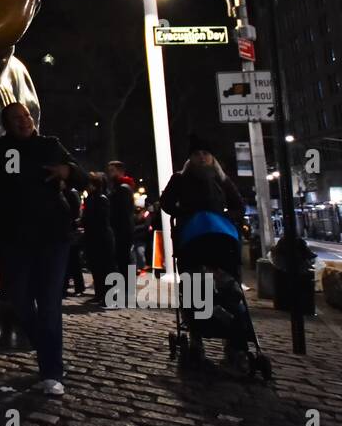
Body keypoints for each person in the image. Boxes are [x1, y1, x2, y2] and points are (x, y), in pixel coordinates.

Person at [0, 101, 82, 395]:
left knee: (49, 303)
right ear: (7, 124)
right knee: (20, 302)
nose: (23, 121)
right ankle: (49, 351)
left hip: (52, 236)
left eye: (26, 115)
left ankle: (51, 370)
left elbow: (83, 175)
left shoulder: (50, 144)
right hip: (13, 237)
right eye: (16, 118)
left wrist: (67, 170)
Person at [159, 134, 249, 364]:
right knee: (192, 285)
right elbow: (166, 203)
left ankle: (235, 341)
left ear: (211, 157)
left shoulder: (222, 180)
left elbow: (239, 205)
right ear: (191, 157)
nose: (202, 157)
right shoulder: (180, 179)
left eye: (205, 154)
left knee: (227, 288)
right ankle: (196, 335)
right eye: (197, 154)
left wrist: (227, 218)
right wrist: (185, 215)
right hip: (192, 239)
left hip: (220, 237)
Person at [80, 171, 116, 303]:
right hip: (93, 237)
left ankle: (108, 296)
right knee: (96, 268)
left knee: (104, 268)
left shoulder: (101, 198)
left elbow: (101, 220)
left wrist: (85, 221)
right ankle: (99, 294)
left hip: (101, 238)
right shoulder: (91, 198)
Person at [106, 160, 137, 276]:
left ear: (120, 171)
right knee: (122, 260)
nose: (110, 174)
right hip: (121, 229)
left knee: (124, 260)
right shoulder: (119, 187)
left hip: (122, 230)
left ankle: (128, 288)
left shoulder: (123, 188)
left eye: (112, 171)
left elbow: (122, 213)